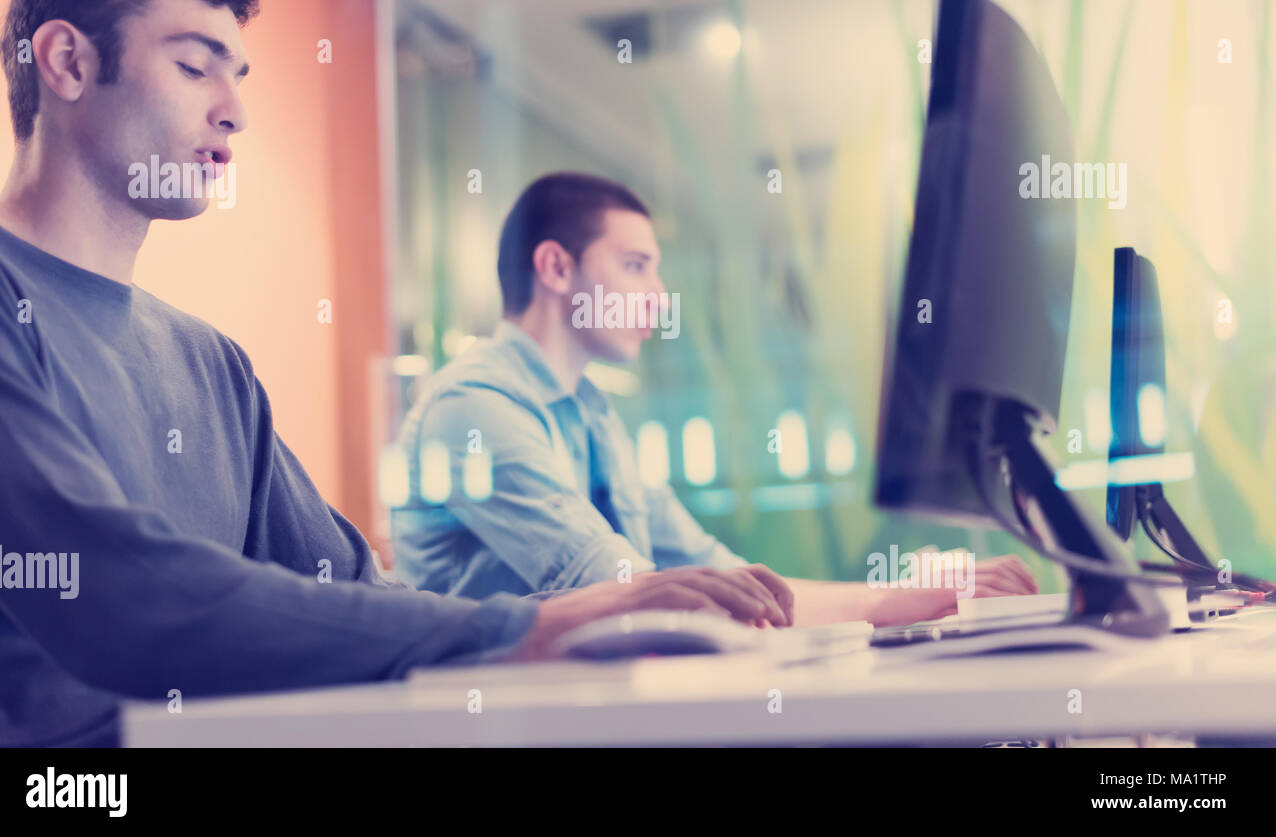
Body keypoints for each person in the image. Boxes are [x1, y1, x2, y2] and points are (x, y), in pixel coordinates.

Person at [0, 0, 788, 748]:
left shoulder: (208, 363)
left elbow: (353, 589)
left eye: (239, 77)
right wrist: (519, 632)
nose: (235, 113)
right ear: (69, 63)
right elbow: (118, 595)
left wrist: (574, 622)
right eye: (193, 67)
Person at [391, 172, 1038, 625]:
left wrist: (893, 596)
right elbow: (635, 592)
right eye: (636, 266)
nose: (660, 296)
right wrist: (880, 598)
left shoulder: (593, 417)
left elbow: (718, 575)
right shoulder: (474, 408)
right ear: (558, 268)